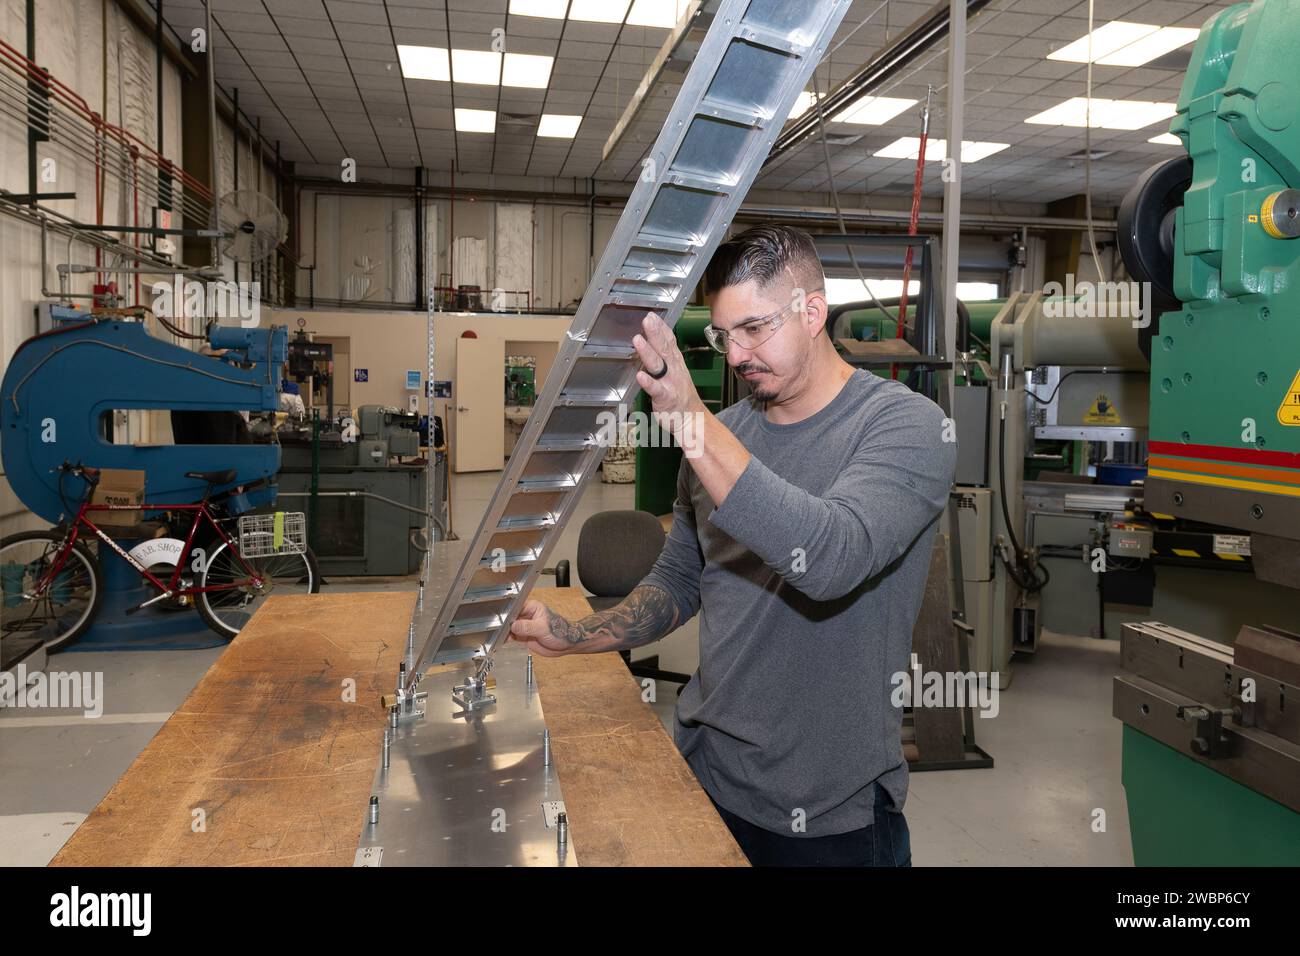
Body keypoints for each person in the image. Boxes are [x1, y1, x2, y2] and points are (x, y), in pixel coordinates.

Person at [509, 224, 956, 866]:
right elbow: (680, 580)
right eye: (723, 335)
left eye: (755, 328)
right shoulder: (721, 435)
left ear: (812, 310)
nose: (737, 354)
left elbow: (830, 559)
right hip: (708, 777)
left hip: (831, 810)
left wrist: (688, 421)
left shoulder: (906, 427)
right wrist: (574, 632)